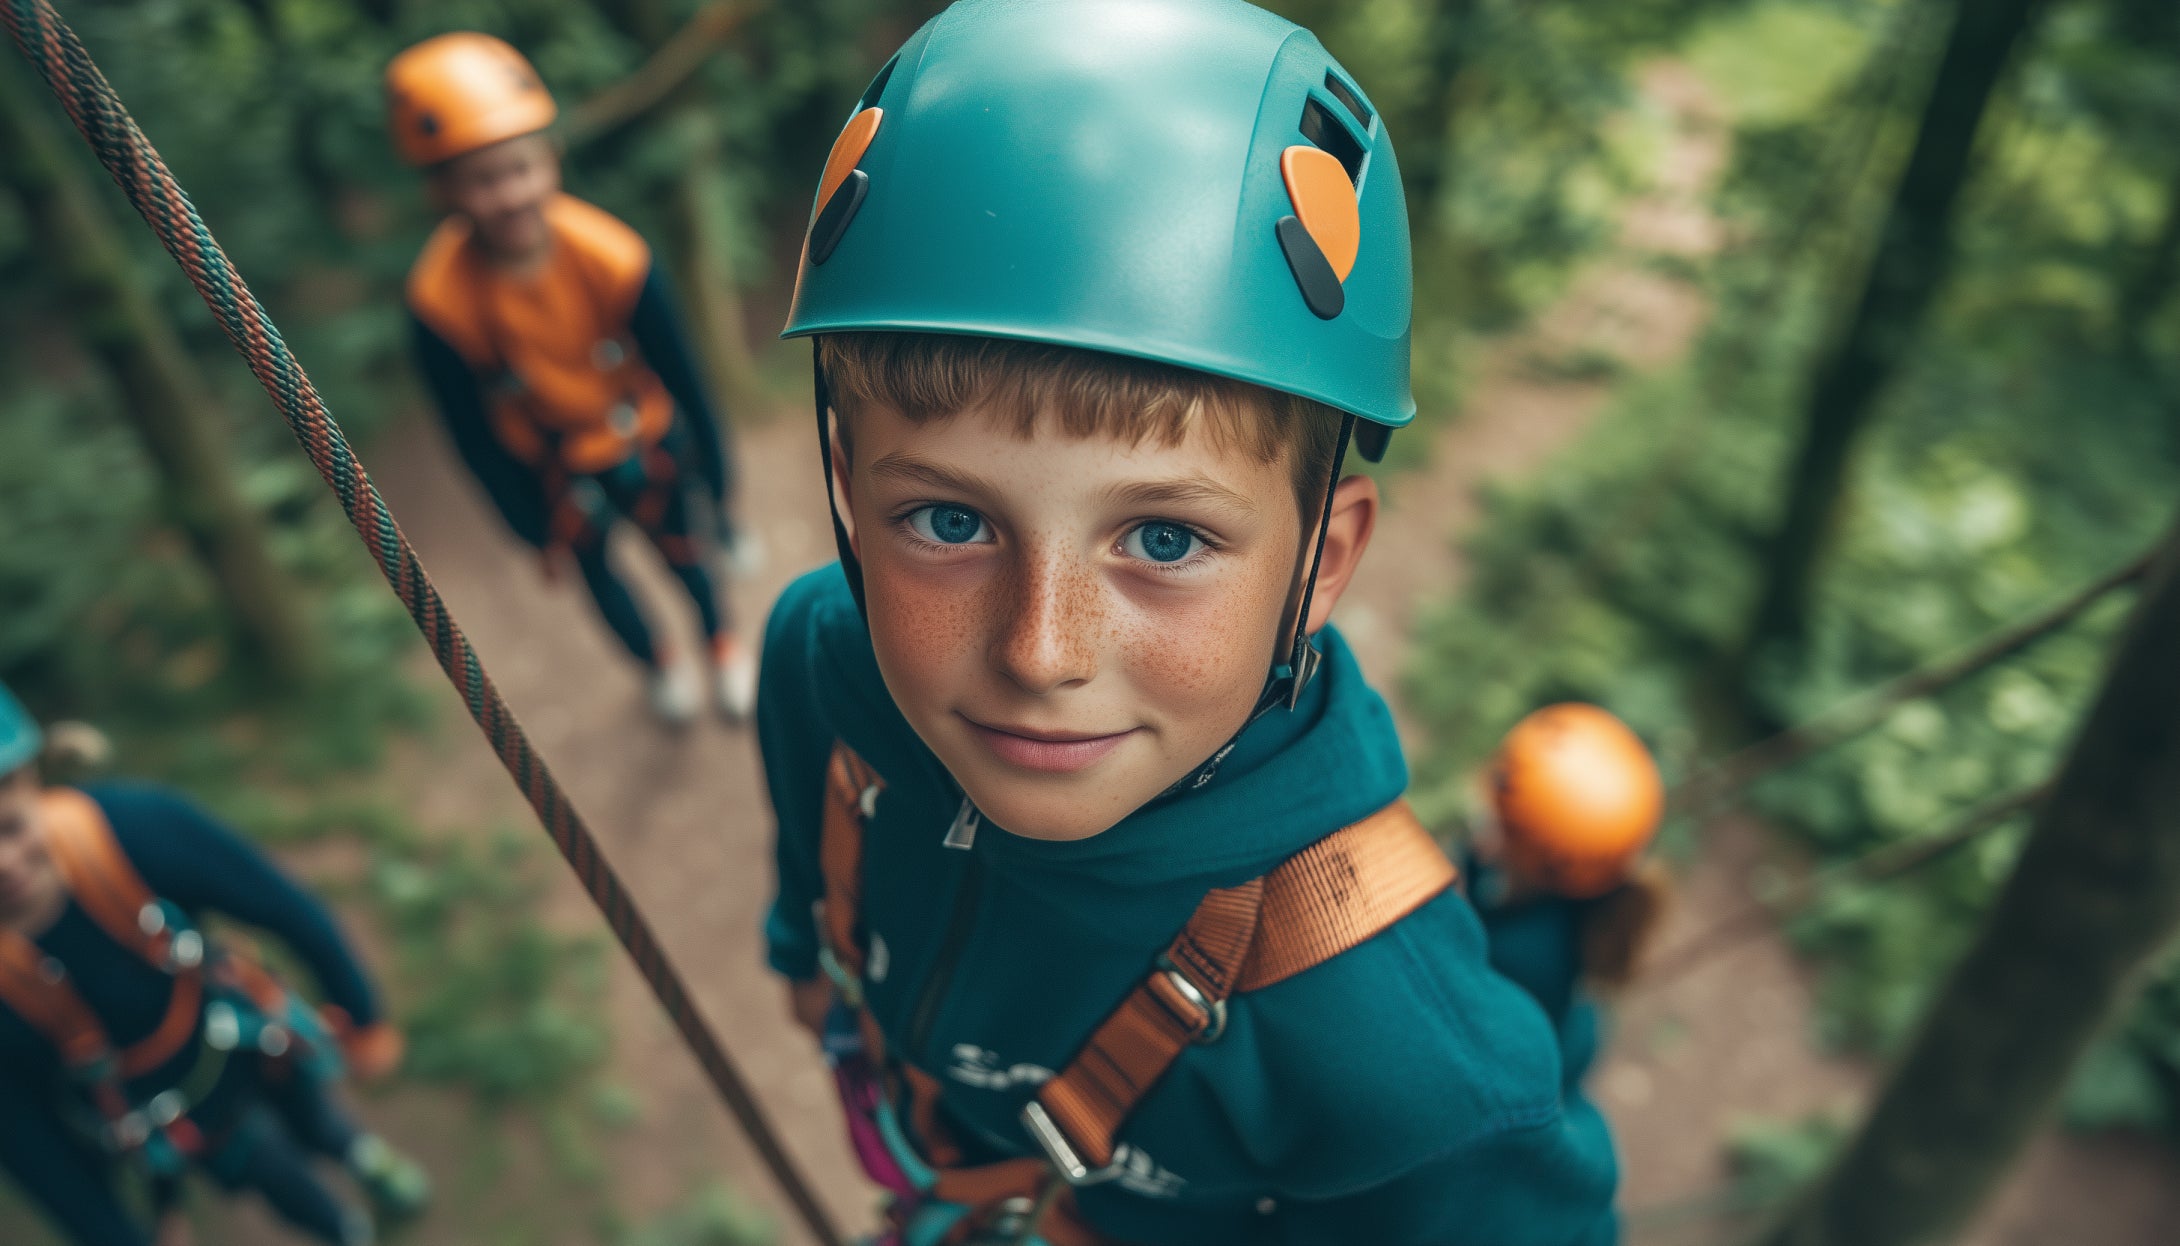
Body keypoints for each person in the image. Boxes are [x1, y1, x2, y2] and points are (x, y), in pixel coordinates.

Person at [757, 3, 1620, 1242]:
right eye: (947, 520)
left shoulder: (1410, 1067)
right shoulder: (821, 658)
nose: (1037, 653)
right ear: (847, 487)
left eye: (1164, 540)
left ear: (1319, 562)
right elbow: (807, 847)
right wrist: (803, 947)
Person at [388, 32, 757, 725]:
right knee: (600, 579)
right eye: (483, 179)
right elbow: (467, 431)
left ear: (551, 158)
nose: (510, 195)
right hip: (555, 466)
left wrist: (717, 475)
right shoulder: (439, 303)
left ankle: (722, 644)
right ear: (444, 190)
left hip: (642, 435)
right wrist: (525, 523)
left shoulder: (613, 257)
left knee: (688, 556)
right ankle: (660, 663)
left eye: (521, 168)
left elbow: (685, 375)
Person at [0, 684, 428, 1246]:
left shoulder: (132, 830)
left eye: (9, 827)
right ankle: (344, 1229)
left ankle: (360, 1156)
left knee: (312, 1112)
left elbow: (281, 905)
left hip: (245, 1031)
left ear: (37, 779)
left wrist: (360, 1011)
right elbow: (25, 1136)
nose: (4, 866)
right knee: (273, 1173)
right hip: (173, 1113)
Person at [1467, 704, 1673, 1092]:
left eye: (1504, 828)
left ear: (1546, 865)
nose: (1482, 820)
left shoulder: (1521, 959)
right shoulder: (1562, 886)